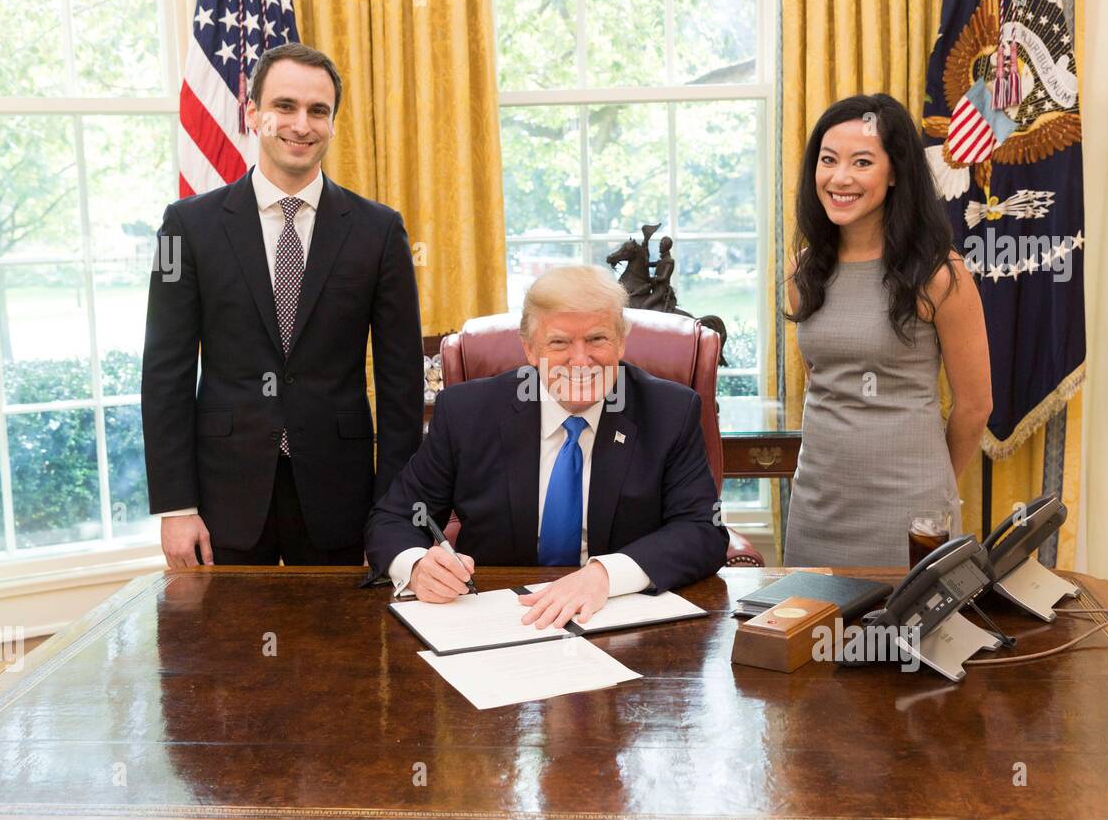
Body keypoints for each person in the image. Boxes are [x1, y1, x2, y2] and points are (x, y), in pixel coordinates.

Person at [143, 43, 424, 566]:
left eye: (318, 111)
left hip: (342, 497)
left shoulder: (379, 231)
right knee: (227, 647)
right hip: (223, 496)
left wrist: (394, 511)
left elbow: (401, 383)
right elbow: (165, 374)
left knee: (339, 648)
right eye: (285, 106)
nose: (302, 124)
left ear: (333, 122)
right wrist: (176, 506)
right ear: (253, 113)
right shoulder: (186, 227)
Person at [364, 264, 728, 629]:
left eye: (597, 339)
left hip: (618, 618)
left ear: (621, 342)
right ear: (529, 349)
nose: (580, 360)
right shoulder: (467, 412)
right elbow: (396, 516)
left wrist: (605, 574)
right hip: (498, 620)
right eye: (559, 343)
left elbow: (702, 530)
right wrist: (414, 565)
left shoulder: (669, 412)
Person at [783, 93, 992, 567]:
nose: (840, 178)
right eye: (828, 160)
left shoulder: (940, 273)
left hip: (909, 510)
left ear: (895, 172)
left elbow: (976, 405)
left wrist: (934, 486)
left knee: (907, 642)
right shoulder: (802, 272)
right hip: (817, 506)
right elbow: (822, 380)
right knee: (815, 638)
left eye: (862, 162)